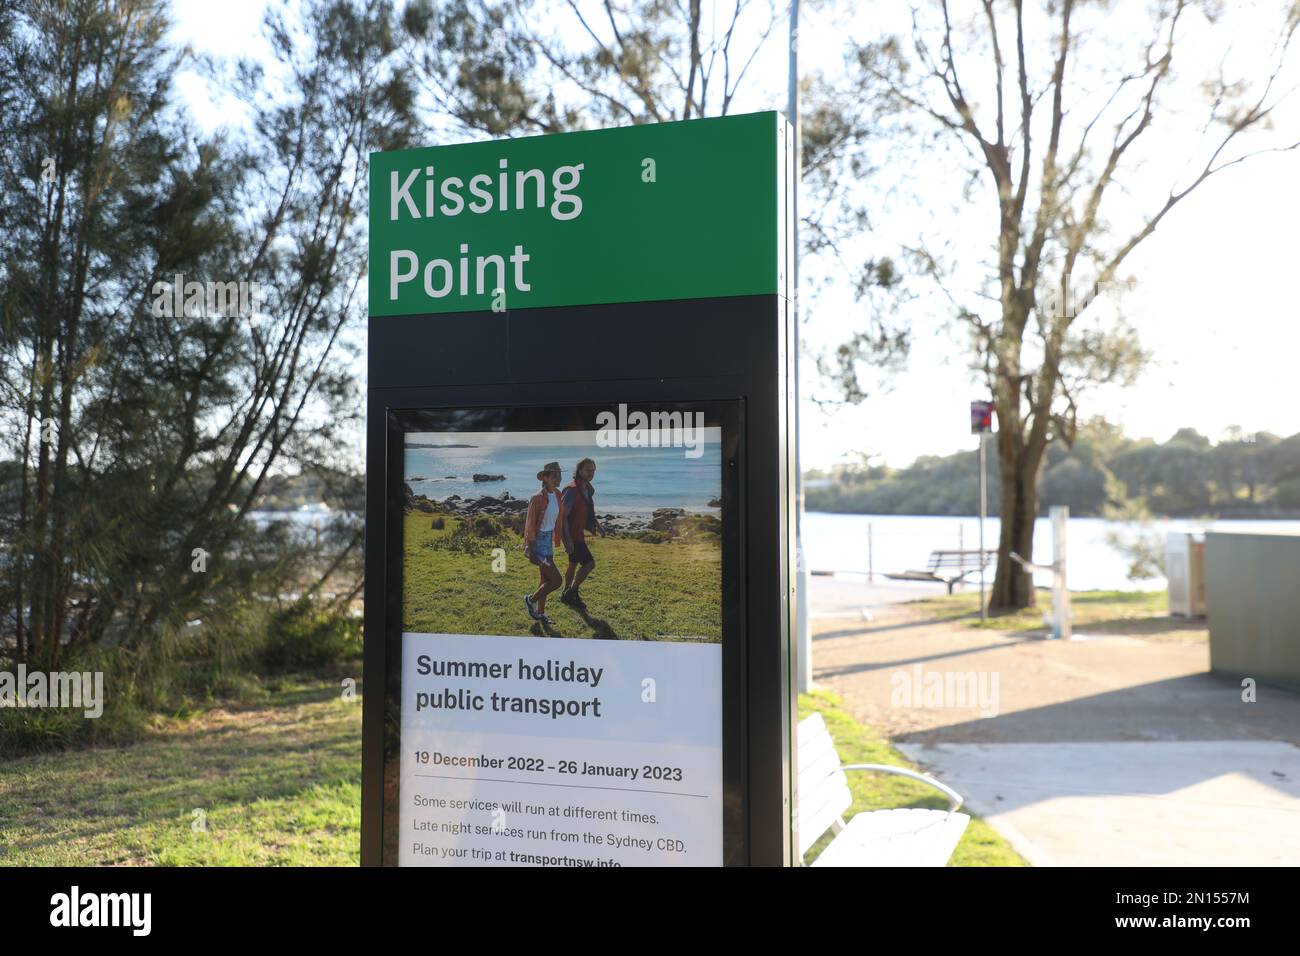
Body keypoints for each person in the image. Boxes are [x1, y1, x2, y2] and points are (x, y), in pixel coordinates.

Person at [523, 461, 566, 627]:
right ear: (546, 477)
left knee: (545, 579)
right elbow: (530, 524)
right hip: (538, 542)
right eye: (554, 475)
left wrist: (563, 538)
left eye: (559, 474)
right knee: (556, 580)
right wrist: (531, 549)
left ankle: (540, 613)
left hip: (547, 539)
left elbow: (558, 518)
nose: (558, 478)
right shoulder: (537, 498)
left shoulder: (557, 494)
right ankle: (530, 599)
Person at [560, 457, 604, 607]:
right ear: (579, 471)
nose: (591, 473)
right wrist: (567, 540)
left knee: (572, 564)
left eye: (593, 470)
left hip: (578, 533)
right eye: (588, 470)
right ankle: (571, 592)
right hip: (573, 535)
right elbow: (562, 517)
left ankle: (566, 593)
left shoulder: (587, 488)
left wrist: (598, 525)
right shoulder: (571, 490)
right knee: (589, 564)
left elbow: (588, 510)